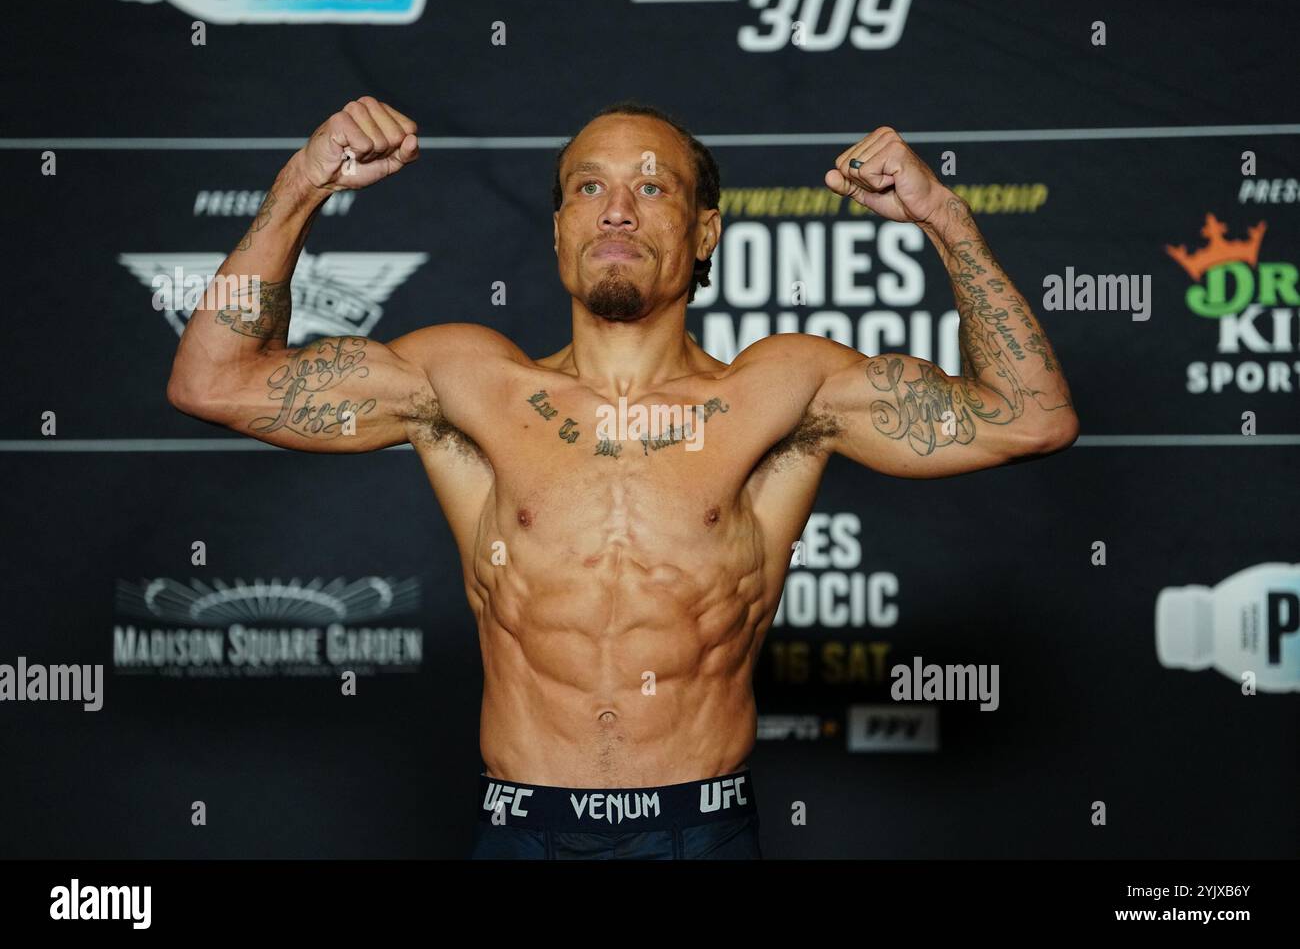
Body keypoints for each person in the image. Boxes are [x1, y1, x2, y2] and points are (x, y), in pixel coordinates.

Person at [166, 96, 1078, 859]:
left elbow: (1032, 417)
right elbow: (214, 382)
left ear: (704, 228)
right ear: (560, 226)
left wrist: (945, 221)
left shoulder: (784, 392)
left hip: (701, 831)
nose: (616, 210)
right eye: (588, 188)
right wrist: (301, 187)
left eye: (653, 187)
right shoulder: (469, 384)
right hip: (521, 829)